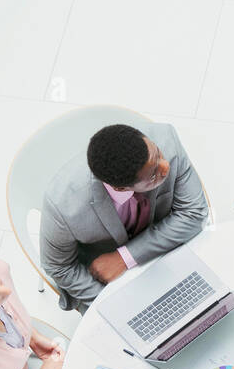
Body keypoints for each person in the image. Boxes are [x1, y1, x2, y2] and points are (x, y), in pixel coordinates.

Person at [41, 122, 209, 313]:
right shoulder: (63, 205)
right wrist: (118, 304)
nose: (166, 167)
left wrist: (124, 258)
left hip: (166, 249)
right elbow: (59, 266)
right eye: (154, 174)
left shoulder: (165, 137)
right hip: (105, 279)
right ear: (120, 188)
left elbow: (194, 212)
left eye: (158, 154)